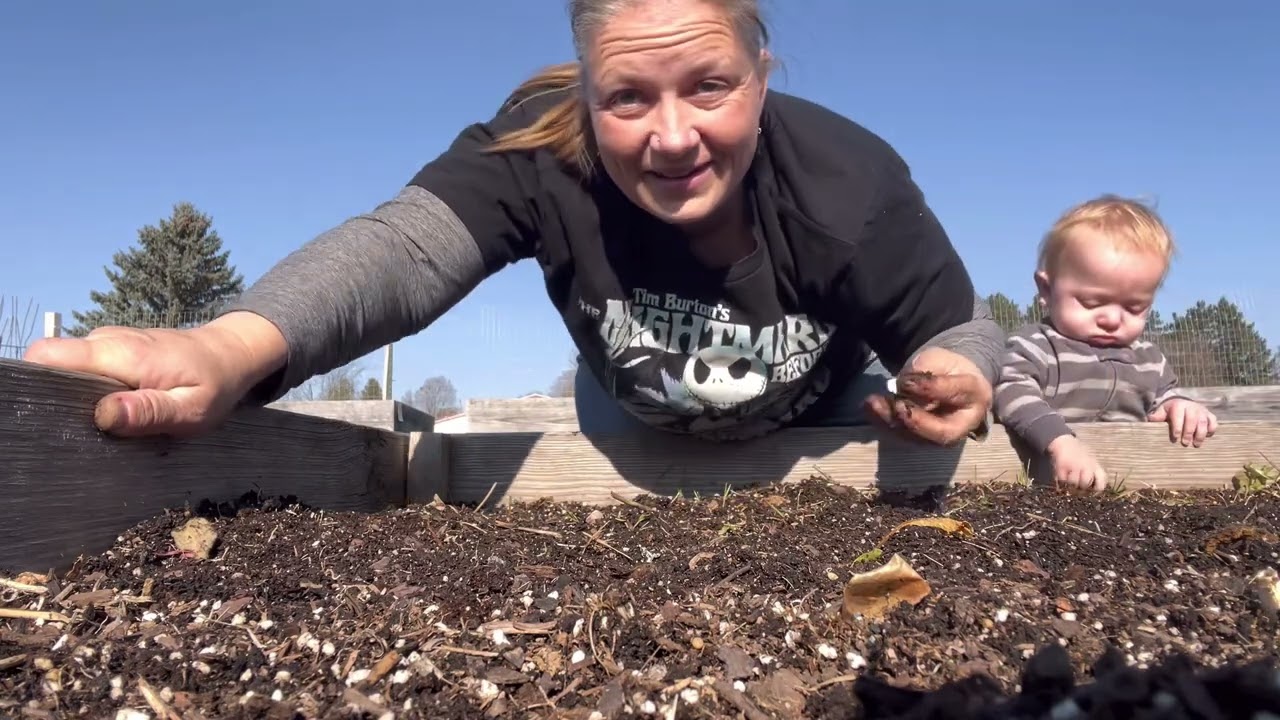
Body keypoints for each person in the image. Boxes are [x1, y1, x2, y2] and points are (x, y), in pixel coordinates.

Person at [25, 0, 1003, 447]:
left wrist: (956, 376)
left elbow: (954, 326)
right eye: (626, 97)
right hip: (630, 421)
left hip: (820, 415)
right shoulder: (540, 147)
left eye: (709, 87)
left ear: (760, 72)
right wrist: (231, 345)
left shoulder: (849, 185)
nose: (672, 138)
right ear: (584, 90)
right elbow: (405, 249)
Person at [993, 194, 1218, 493]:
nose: (1112, 318)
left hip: (1134, 483)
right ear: (1046, 289)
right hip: (1044, 482)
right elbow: (1010, 391)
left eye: (1135, 307)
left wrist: (1180, 406)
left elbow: (1163, 399)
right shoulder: (1035, 346)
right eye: (1091, 302)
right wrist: (1061, 442)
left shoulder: (1149, 360)